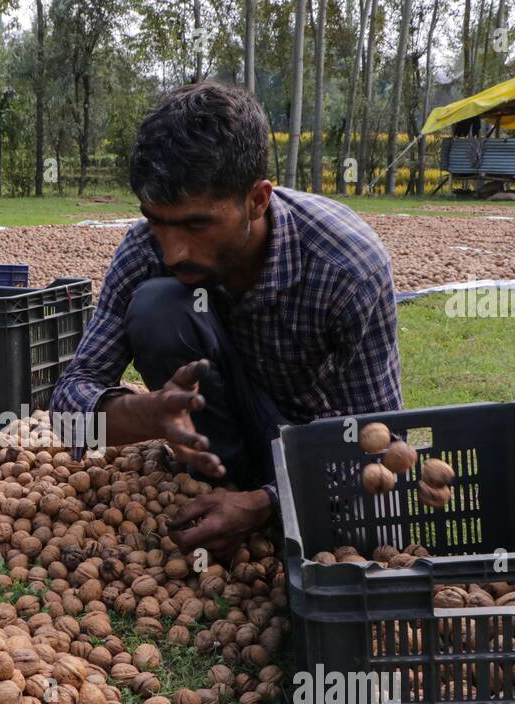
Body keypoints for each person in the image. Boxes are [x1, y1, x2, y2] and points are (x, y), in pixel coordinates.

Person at [50, 82, 401, 562]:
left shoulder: (346, 266)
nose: (172, 250)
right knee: (156, 305)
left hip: (311, 446)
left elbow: (377, 443)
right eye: (157, 221)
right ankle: (223, 480)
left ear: (257, 200)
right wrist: (147, 414)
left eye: (197, 226)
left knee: (365, 534)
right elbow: (69, 404)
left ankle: (252, 498)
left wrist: (266, 503)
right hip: (219, 439)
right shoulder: (146, 247)